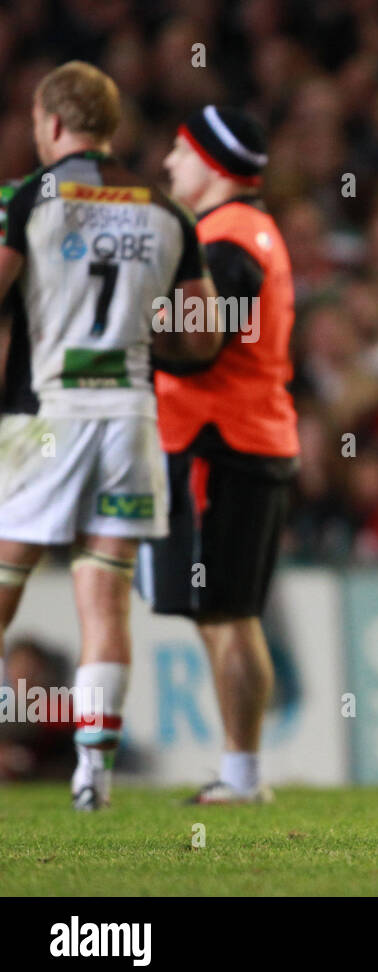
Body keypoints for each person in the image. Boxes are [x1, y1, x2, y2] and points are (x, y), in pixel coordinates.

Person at [0, 61, 219, 810]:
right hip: (129, 418)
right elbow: (202, 336)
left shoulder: (24, 198)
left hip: (44, 420)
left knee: (6, 584)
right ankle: (93, 770)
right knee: (104, 602)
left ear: (53, 124)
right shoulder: (166, 209)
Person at [136, 106, 299, 804]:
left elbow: (201, 347)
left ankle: (241, 776)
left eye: (179, 151)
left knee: (225, 613)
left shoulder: (227, 242)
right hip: (244, 440)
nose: (170, 165)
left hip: (216, 444)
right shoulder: (246, 233)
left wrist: (135, 329)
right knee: (227, 613)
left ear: (210, 161)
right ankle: (241, 773)